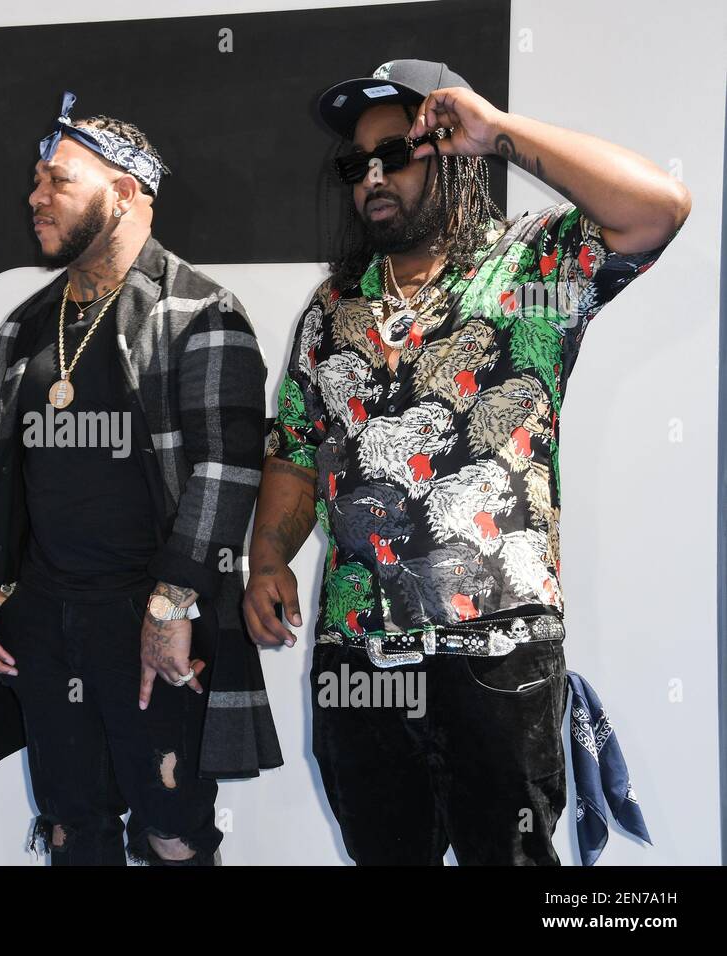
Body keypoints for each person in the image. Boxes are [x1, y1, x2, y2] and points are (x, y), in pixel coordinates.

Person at [245, 59, 690, 865]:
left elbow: (659, 209)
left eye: (396, 153)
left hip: (499, 653)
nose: (372, 175)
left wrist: (506, 133)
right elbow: (296, 448)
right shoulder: (332, 308)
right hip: (361, 656)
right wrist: (268, 554)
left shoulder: (530, 272)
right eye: (356, 164)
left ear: (453, 149)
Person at [0, 92, 282, 866]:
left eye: (56, 180)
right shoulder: (24, 327)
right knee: (70, 831)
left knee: (172, 835)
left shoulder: (201, 314)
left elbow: (226, 473)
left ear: (125, 192)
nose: (35, 197)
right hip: (46, 618)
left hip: (152, 619)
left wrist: (172, 602)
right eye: (36, 181)